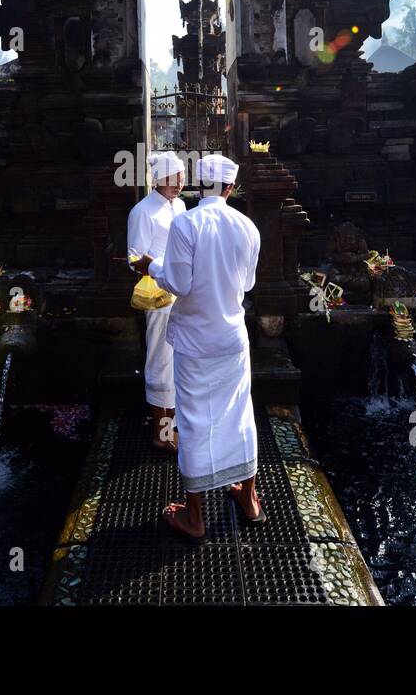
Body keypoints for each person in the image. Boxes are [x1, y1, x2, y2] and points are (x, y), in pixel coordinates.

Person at [131, 152, 264, 541]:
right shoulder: (248, 227)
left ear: (197, 186)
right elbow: (248, 285)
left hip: (194, 341)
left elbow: (178, 284)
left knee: (192, 421)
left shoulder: (185, 224)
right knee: (240, 414)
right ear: (230, 187)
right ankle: (249, 497)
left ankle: (194, 516)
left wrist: (151, 266)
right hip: (232, 339)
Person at [126, 151, 187, 450]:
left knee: (179, 358)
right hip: (160, 292)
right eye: (173, 178)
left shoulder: (181, 206)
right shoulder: (142, 211)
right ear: (159, 179)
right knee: (160, 359)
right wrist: (163, 269)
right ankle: (160, 435)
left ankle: (173, 425)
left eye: (181, 177)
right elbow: (133, 258)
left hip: (184, 292)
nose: (179, 183)